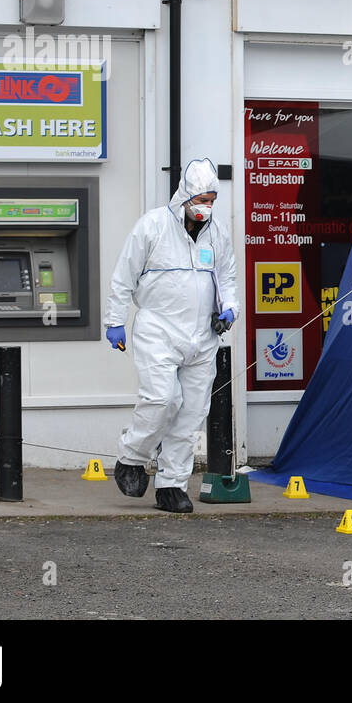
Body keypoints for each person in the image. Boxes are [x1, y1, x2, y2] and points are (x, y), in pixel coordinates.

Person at [104, 158, 239, 513]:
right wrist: (115, 321)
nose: (206, 207)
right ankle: (132, 456)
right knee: (163, 400)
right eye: (201, 200)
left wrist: (230, 309)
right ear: (185, 196)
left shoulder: (217, 233)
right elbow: (123, 277)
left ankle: (172, 485)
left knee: (192, 412)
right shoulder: (152, 227)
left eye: (211, 200)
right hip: (158, 330)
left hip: (203, 336)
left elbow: (227, 278)